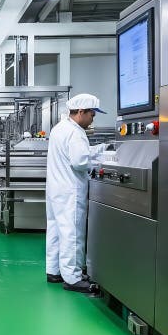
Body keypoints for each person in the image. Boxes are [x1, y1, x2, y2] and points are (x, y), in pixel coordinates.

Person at [45, 94, 109, 293]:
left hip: (56, 189)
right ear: (81, 112)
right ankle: (72, 277)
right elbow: (79, 162)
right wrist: (97, 161)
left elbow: (76, 154)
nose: (93, 119)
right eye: (92, 114)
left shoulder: (59, 128)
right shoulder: (75, 132)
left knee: (56, 229)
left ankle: (54, 270)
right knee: (72, 232)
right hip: (69, 191)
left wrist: (97, 150)